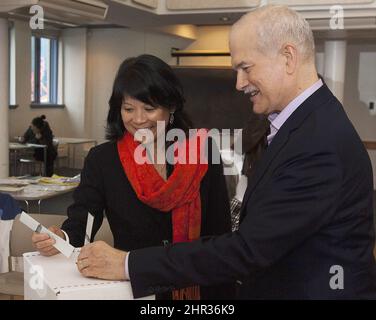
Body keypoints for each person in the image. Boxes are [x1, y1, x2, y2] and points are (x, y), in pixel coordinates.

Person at [67, 5, 376, 299]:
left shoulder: (316, 142)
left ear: (288, 57)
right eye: (128, 108)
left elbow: (246, 249)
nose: (239, 83)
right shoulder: (307, 125)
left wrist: (126, 264)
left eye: (245, 68)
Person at [31, 54, 233, 300]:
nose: (138, 120)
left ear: (171, 108)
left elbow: (220, 234)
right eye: (128, 109)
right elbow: (82, 222)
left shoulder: (202, 152)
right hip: (135, 287)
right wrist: (60, 237)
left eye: (149, 108)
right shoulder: (103, 160)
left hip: (200, 287)